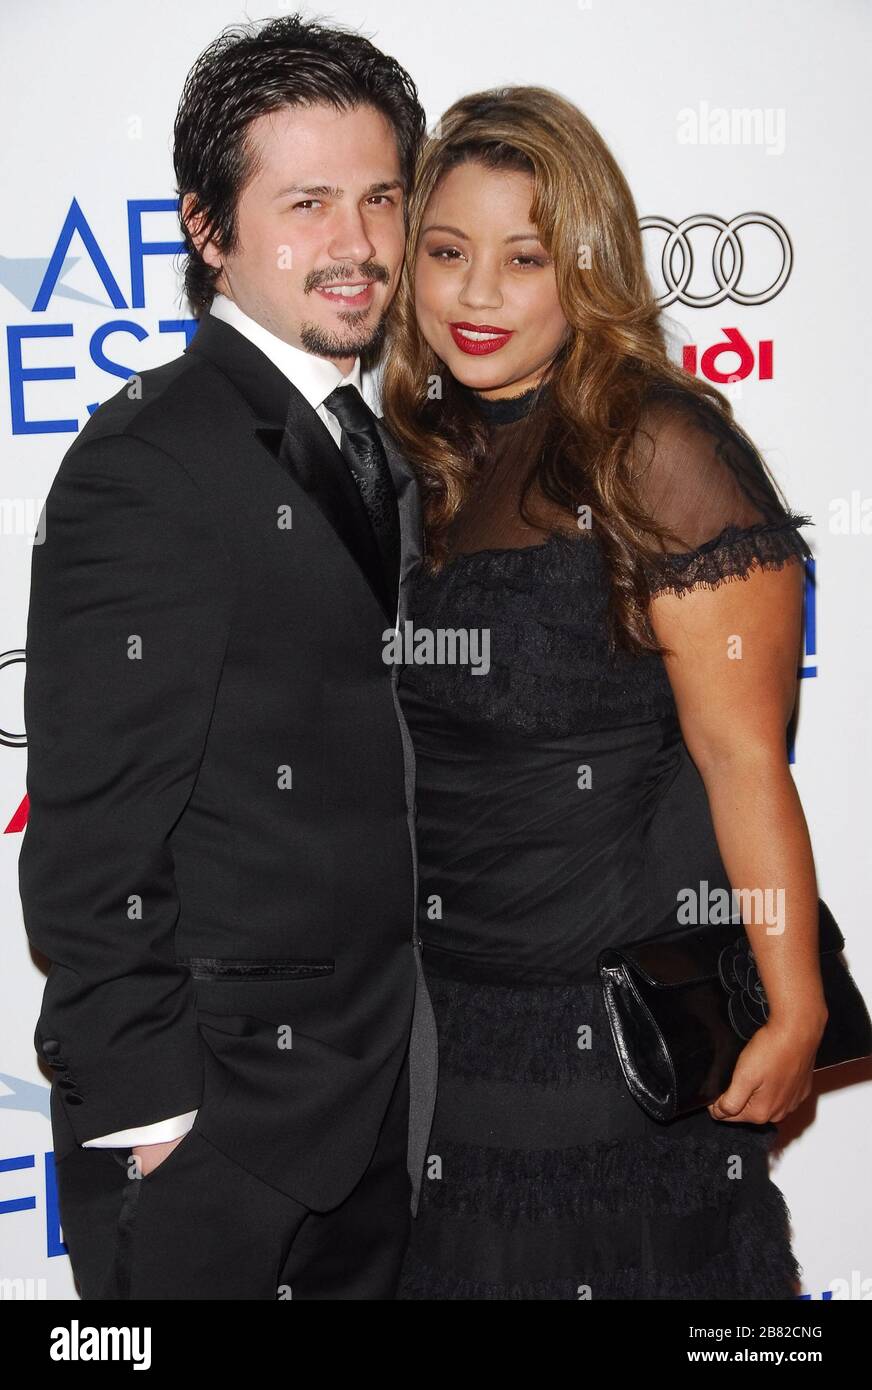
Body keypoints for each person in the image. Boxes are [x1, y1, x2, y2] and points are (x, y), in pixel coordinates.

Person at [381, 86, 826, 1299]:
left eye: (523, 259)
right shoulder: (419, 457)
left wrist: (792, 1012)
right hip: (443, 1042)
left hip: (610, 1050)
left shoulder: (654, 449)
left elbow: (743, 758)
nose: (475, 296)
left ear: (586, 270)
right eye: (446, 252)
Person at [19, 15, 438, 1300]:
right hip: (218, 1129)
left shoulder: (382, 445)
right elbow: (91, 837)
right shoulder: (151, 463)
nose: (356, 245)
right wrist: (154, 1114)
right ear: (207, 228)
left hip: (378, 1104)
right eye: (304, 203)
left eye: (377, 198)